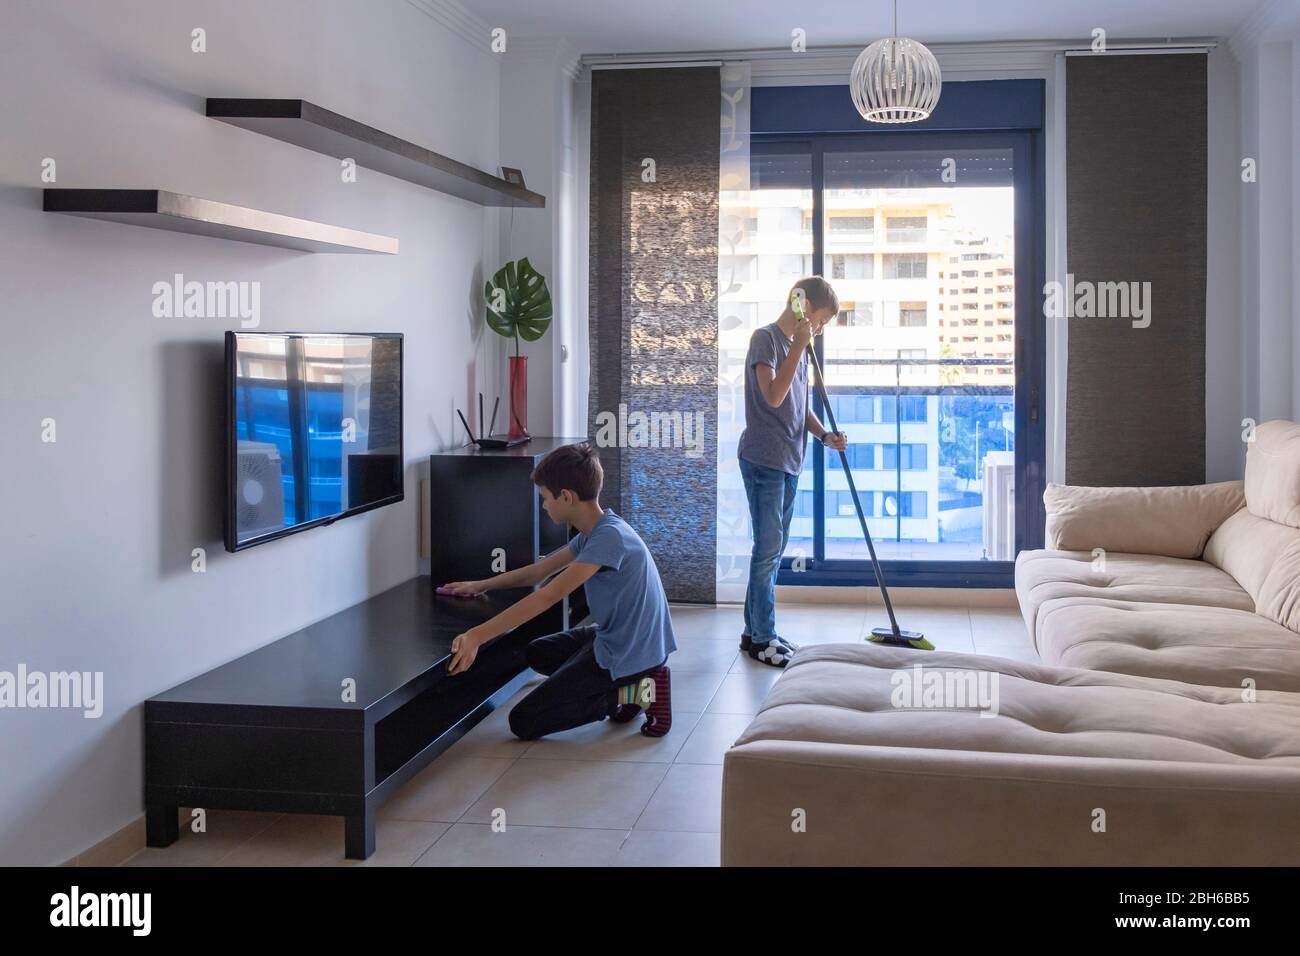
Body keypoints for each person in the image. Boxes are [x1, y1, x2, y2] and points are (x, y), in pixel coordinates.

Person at [442, 443, 676, 738]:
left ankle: (637, 693)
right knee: (538, 652)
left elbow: (548, 595)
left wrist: (476, 635)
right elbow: (539, 571)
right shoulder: (600, 529)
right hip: (623, 638)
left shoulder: (608, 539)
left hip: (630, 650)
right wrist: (481, 584)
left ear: (566, 496)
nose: (543, 506)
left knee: (524, 720)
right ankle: (627, 685)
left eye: (545, 498)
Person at [736, 276, 848, 667]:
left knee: (772, 550)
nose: (819, 329)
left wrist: (824, 436)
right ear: (800, 304)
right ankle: (763, 637)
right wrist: (800, 345)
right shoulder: (765, 339)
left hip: (788, 459)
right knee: (767, 550)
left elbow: (798, 406)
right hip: (763, 460)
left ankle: (754, 632)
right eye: (819, 320)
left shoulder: (796, 349)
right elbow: (773, 395)